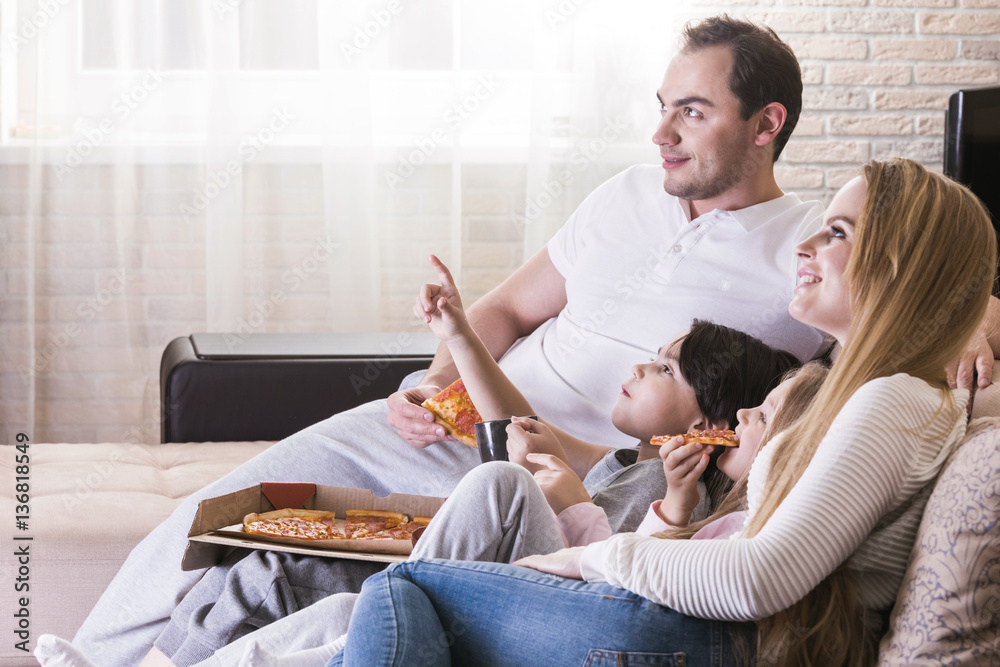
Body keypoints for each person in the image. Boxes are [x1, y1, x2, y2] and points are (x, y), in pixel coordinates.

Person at [65, 16, 996, 666]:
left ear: (767, 125)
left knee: (317, 562)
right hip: (461, 420)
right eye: (662, 104)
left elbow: (915, 287)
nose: (662, 132)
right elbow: (505, 313)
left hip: (569, 482)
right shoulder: (625, 195)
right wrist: (436, 380)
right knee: (241, 507)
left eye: (694, 113)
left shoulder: (795, 254)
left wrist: (982, 319)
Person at [329, 157, 998, 667]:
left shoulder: (891, 400)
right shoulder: (867, 393)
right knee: (408, 597)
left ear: (899, 265)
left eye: (838, 232)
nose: (805, 246)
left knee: (402, 588)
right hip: (696, 626)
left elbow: (758, 577)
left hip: (707, 640)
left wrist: (592, 561)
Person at [129, 309, 797, 667]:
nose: (638, 367)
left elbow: (608, 581)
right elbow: (517, 423)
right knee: (257, 526)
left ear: (709, 427)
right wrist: (458, 335)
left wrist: (562, 486)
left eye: (663, 369)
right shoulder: (631, 457)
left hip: (474, 572)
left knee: (273, 561)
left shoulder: (667, 484)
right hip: (455, 541)